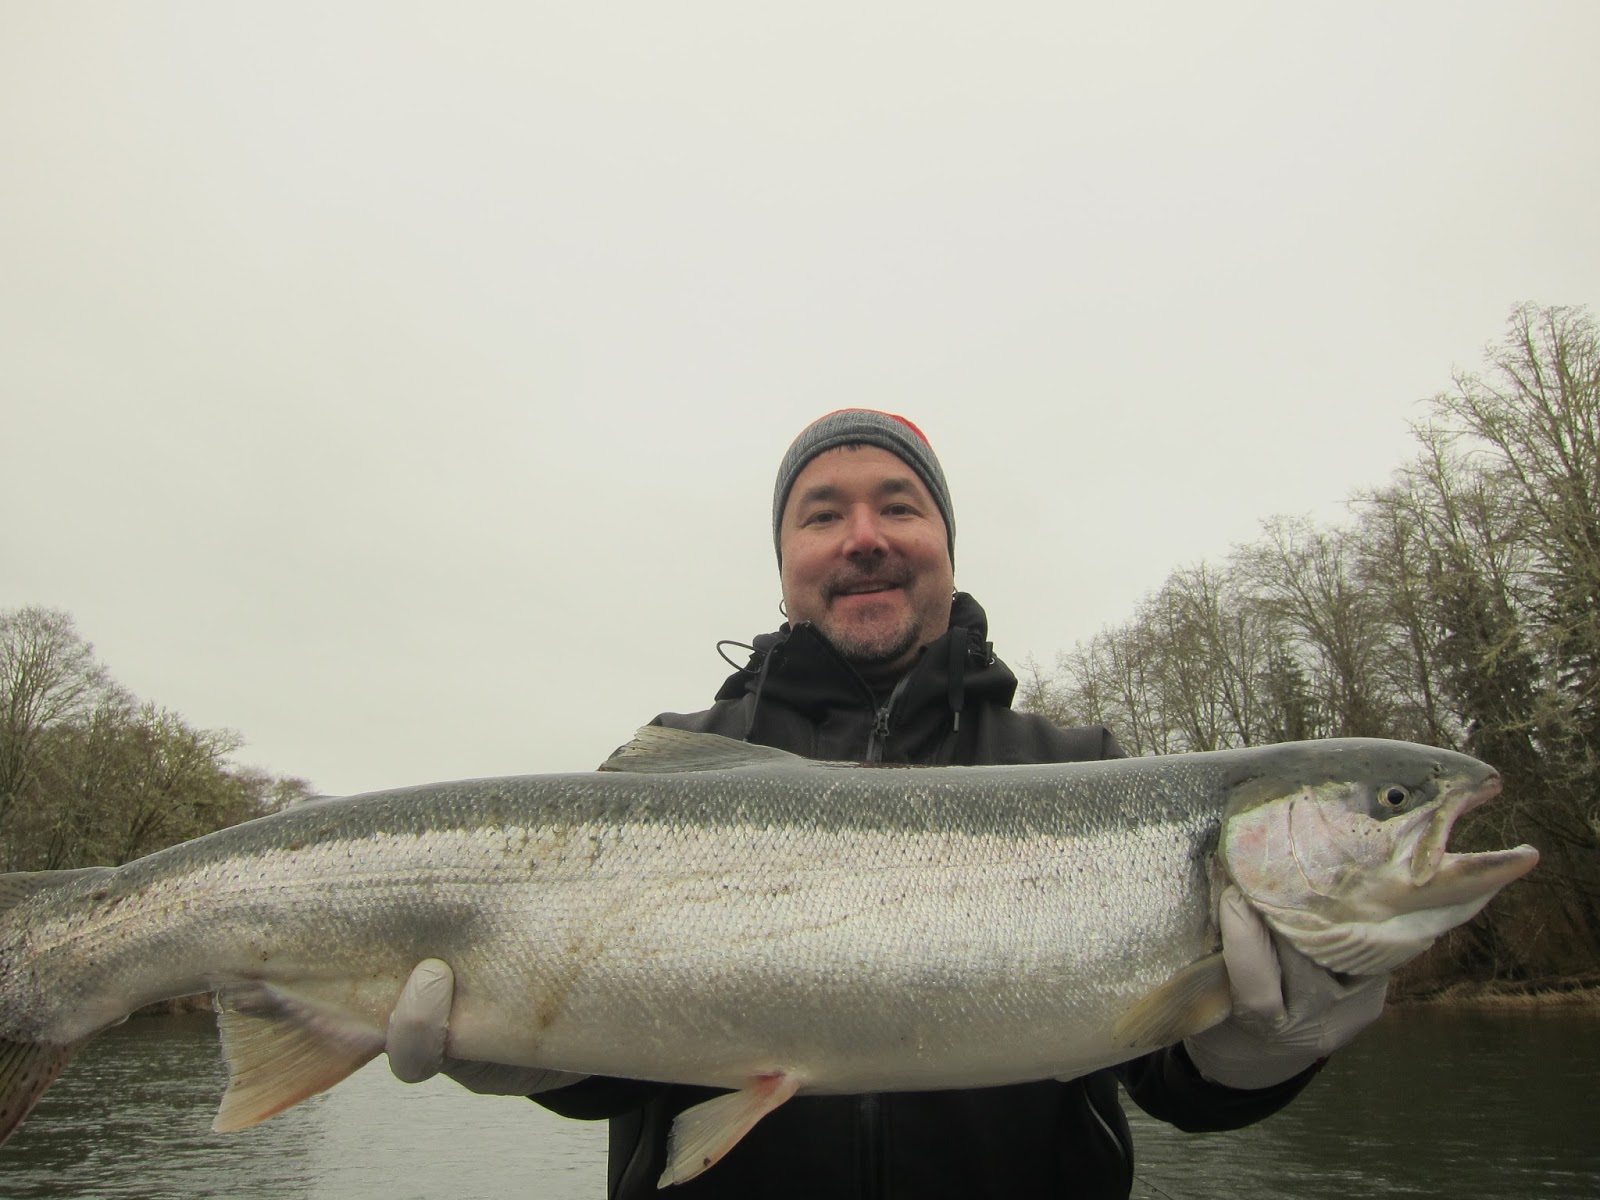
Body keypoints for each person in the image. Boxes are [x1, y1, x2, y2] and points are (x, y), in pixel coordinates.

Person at [383, 409, 1389, 1198]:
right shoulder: (665, 774)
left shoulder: (1076, 765)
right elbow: (628, 1063)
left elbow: (1169, 1081)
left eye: (899, 507)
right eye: (823, 514)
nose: (863, 538)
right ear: (784, 563)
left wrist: (1250, 1059)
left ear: (946, 545)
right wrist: (547, 1062)